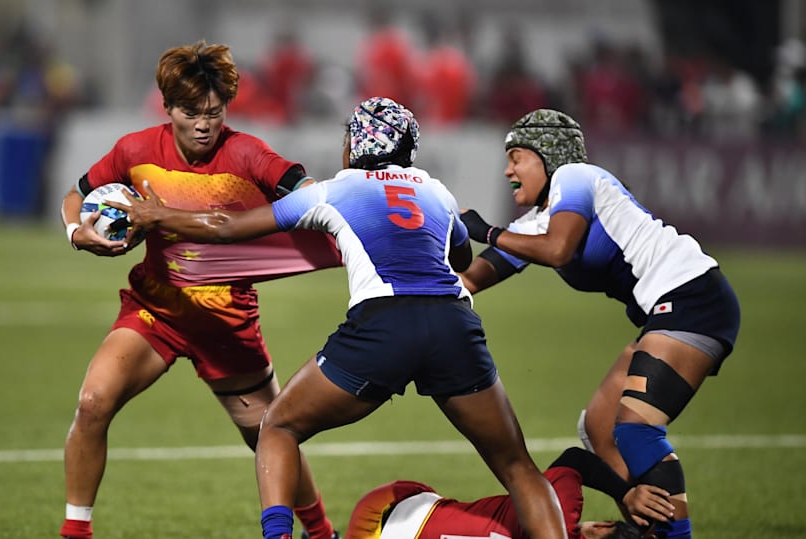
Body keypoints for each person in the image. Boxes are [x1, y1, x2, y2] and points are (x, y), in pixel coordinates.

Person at [108, 96, 569, 539]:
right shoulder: (437, 192)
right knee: (517, 466)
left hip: (384, 325)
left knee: (278, 427)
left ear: (355, 144)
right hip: (454, 324)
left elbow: (227, 227)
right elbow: (461, 259)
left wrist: (159, 215)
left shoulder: (335, 190)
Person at [58, 40, 343, 539]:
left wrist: (314, 196)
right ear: (168, 107)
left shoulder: (246, 153)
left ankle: (321, 534)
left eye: (214, 112)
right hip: (156, 309)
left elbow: (303, 187)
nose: (204, 125)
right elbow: (76, 195)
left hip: (226, 322)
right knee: (92, 403)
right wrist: (77, 232)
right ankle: (75, 533)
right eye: (190, 113)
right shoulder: (135, 150)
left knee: (270, 435)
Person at [459, 109, 741, 538]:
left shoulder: (575, 176)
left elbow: (557, 249)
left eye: (517, 158)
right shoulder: (536, 222)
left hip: (692, 296)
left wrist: (486, 230)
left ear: (549, 156)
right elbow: (469, 281)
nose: (507, 171)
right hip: (670, 308)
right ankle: (648, 526)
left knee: (637, 429)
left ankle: (674, 535)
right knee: (599, 430)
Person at [344, 446, 675, 539]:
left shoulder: (561, 514)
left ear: (603, 527)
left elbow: (574, 460)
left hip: (383, 511)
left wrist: (625, 494)